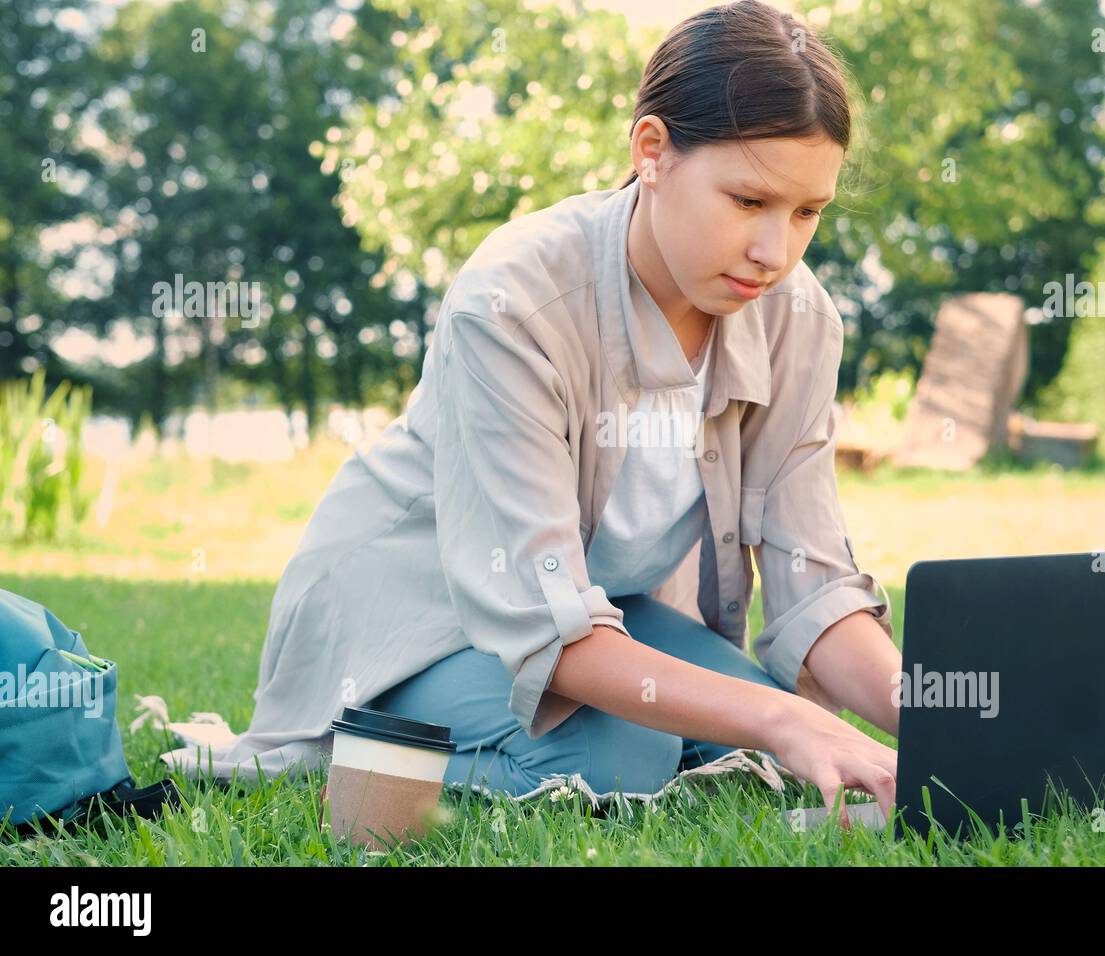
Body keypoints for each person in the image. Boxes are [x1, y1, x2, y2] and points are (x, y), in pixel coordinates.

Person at [182, 0, 901, 829]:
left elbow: (814, 588)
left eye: (807, 213)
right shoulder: (513, 299)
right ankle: (357, 750)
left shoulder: (797, 320)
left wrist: (954, 726)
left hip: (603, 614)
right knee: (620, 752)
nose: (775, 253)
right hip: (423, 614)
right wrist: (781, 716)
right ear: (653, 151)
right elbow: (543, 623)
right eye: (748, 202)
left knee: (777, 731)